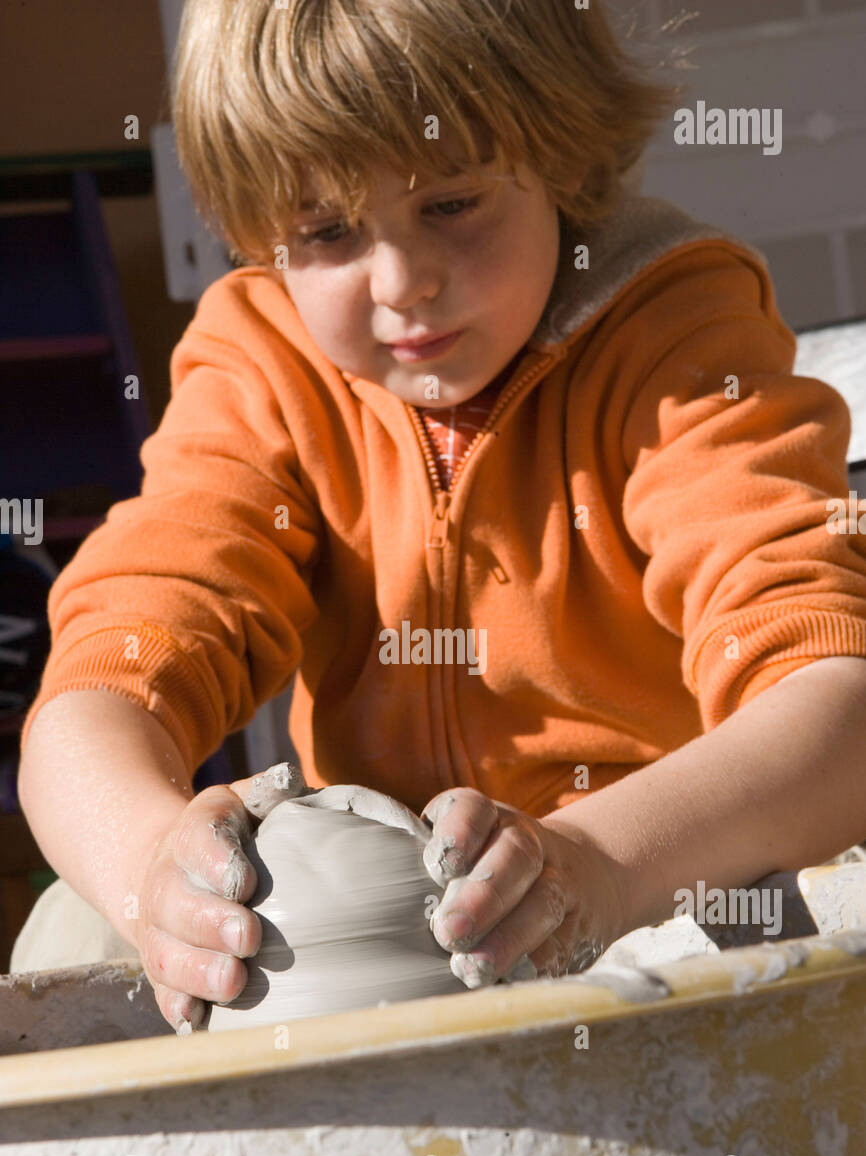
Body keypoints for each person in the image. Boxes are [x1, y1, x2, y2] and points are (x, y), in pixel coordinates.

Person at [13, 0, 866, 1030]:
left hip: (648, 889)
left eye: (452, 204)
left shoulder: (670, 341)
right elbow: (107, 678)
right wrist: (156, 867)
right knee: (76, 928)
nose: (401, 282)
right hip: (368, 926)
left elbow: (835, 701)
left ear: (559, 158)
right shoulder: (267, 368)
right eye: (325, 231)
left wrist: (597, 861)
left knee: (821, 900)